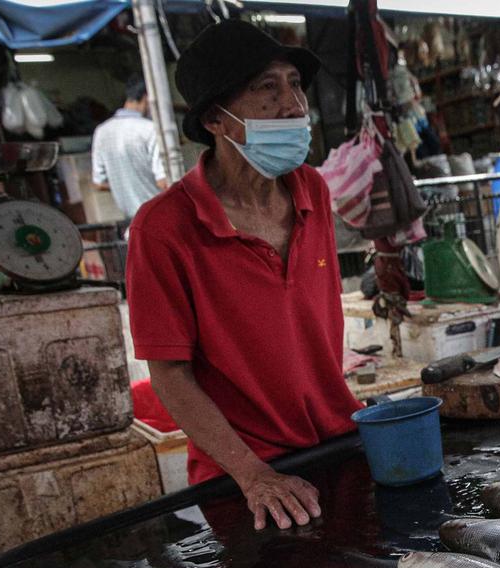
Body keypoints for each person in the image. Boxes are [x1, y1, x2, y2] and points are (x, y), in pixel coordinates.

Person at [125, 20, 364, 531]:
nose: (294, 105)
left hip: (337, 442)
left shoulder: (312, 190)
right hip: (244, 475)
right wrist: (253, 474)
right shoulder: (163, 227)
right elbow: (169, 374)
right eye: (267, 88)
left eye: (295, 85)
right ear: (216, 118)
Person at [92, 75, 169, 220]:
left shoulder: (101, 131)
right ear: (147, 97)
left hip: (131, 221)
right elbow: (163, 182)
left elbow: (99, 184)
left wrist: (127, 185)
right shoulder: (150, 129)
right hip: (159, 216)